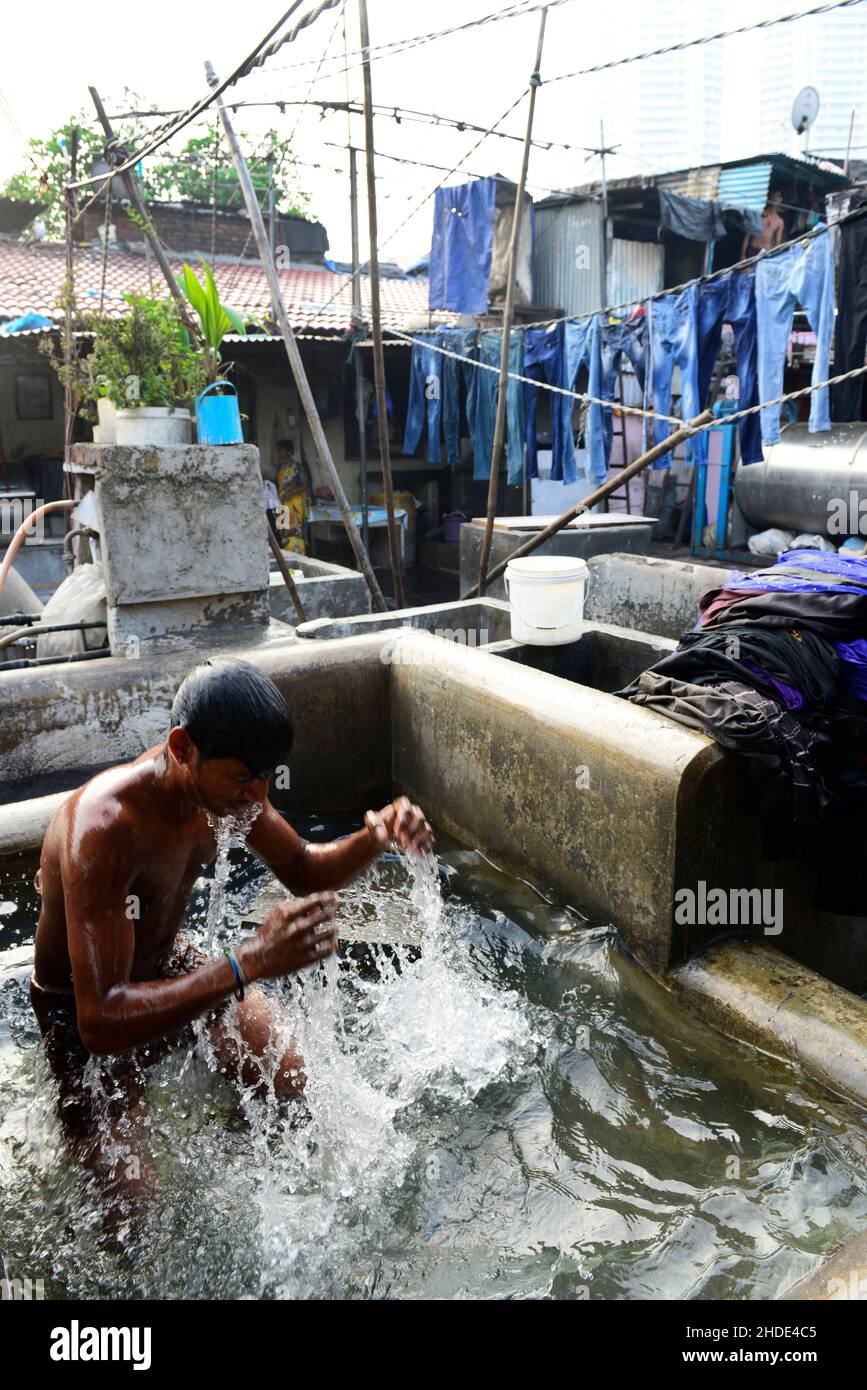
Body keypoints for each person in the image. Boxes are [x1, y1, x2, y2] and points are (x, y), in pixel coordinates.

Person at [31, 656, 433, 1214]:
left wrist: (375, 835)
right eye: (244, 779)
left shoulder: (227, 796)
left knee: (295, 1085)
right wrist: (249, 961)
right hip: (82, 1012)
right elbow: (99, 1019)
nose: (256, 796)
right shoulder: (102, 828)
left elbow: (303, 867)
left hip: (171, 964)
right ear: (181, 748)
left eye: (265, 778)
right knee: (131, 1211)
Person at [275, 438, 313, 554]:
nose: (278, 453)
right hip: (282, 504)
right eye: (278, 451)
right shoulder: (279, 467)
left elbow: (305, 485)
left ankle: (298, 558)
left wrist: (290, 493)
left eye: (281, 451)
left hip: (295, 505)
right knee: (283, 530)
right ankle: (286, 559)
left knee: (295, 531)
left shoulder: (297, 467)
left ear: (289, 452)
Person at [741, 190, 785, 259]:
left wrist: (775, 258)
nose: (775, 198)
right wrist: (742, 254)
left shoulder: (779, 221)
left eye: (778, 196)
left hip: (765, 253)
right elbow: (747, 235)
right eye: (773, 195)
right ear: (768, 197)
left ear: (781, 200)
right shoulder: (758, 214)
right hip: (752, 249)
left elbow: (777, 242)